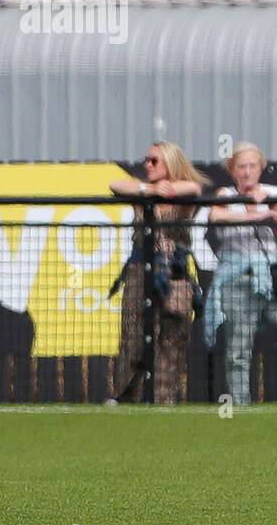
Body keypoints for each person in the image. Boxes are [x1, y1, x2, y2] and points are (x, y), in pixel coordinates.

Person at [109, 141, 207, 404]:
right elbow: (116, 185)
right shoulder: (142, 195)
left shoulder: (182, 198)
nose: (147, 165)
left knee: (171, 339)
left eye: (154, 161)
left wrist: (168, 188)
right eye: (147, 160)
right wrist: (148, 188)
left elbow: (194, 187)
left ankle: (165, 400)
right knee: (134, 336)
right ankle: (127, 397)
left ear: (170, 165)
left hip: (174, 273)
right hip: (140, 270)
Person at [203, 142, 276, 406]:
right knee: (238, 350)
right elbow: (215, 217)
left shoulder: (272, 193)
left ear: (261, 168)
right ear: (233, 170)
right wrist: (257, 216)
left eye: (252, 166)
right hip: (237, 279)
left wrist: (268, 209)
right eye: (241, 167)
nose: (247, 172)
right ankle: (241, 406)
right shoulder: (224, 194)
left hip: (272, 275)